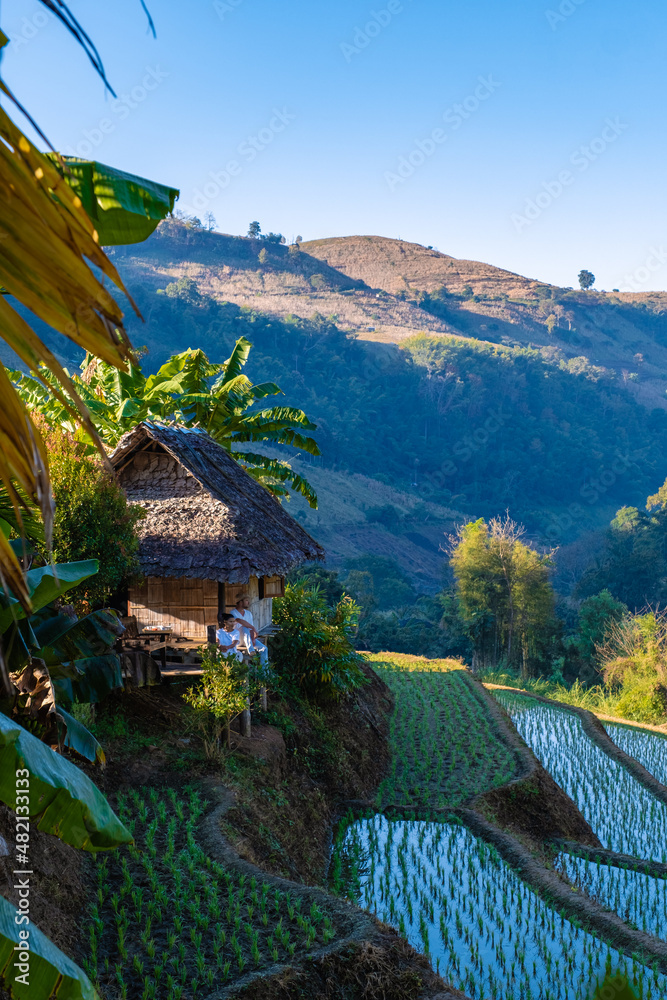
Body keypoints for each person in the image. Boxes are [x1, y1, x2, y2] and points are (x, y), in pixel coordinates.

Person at [232, 594, 269, 666]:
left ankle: (264, 674)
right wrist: (253, 628)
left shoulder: (248, 614)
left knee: (264, 649)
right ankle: (251, 650)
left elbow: (250, 630)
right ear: (240, 602)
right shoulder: (233, 612)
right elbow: (240, 621)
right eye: (246, 600)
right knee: (244, 628)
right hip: (238, 640)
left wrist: (253, 639)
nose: (248, 602)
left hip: (248, 639)